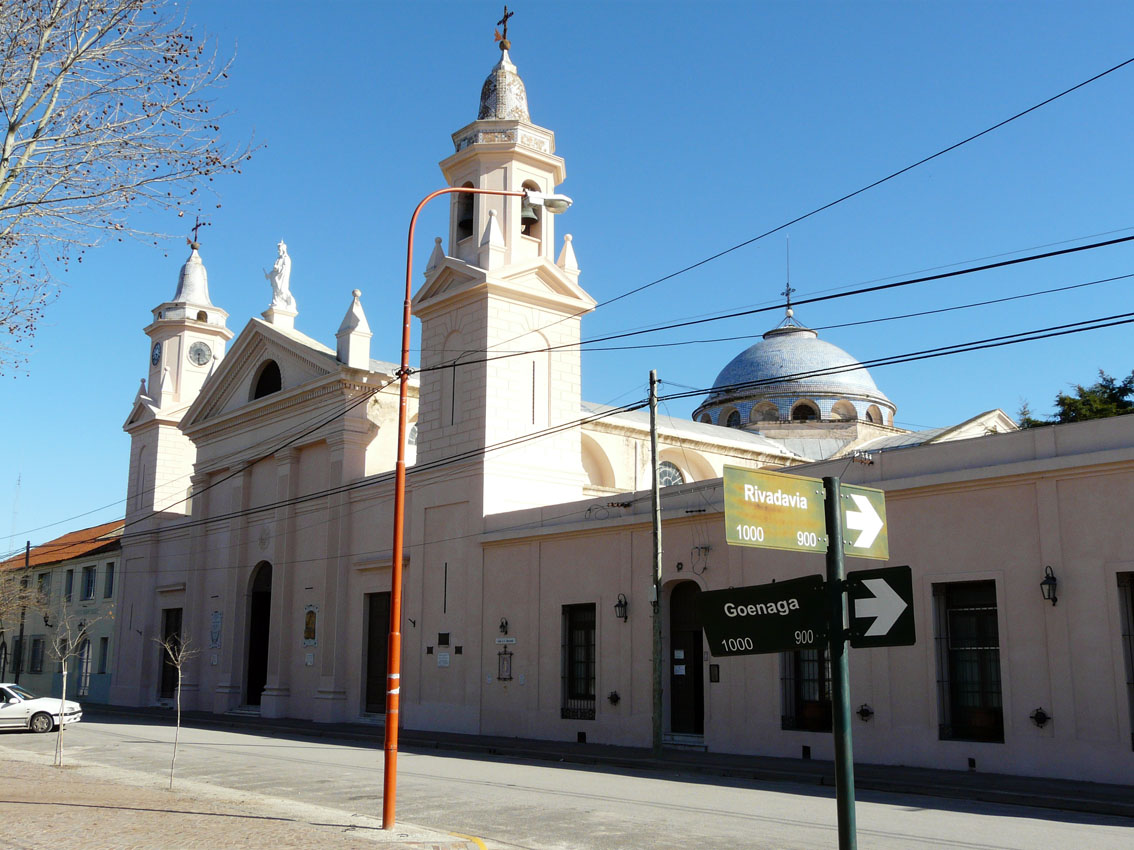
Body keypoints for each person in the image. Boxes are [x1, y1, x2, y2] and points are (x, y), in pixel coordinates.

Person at [264, 240, 295, 310]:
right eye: (278, 249)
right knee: (276, 291)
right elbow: (274, 270)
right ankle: (275, 302)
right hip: (276, 278)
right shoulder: (278, 259)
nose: (278, 251)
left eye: (279, 249)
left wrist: (278, 268)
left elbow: (285, 268)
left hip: (281, 278)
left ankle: (290, 302)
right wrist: (268, 275)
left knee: (283, 291)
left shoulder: (286, 258)